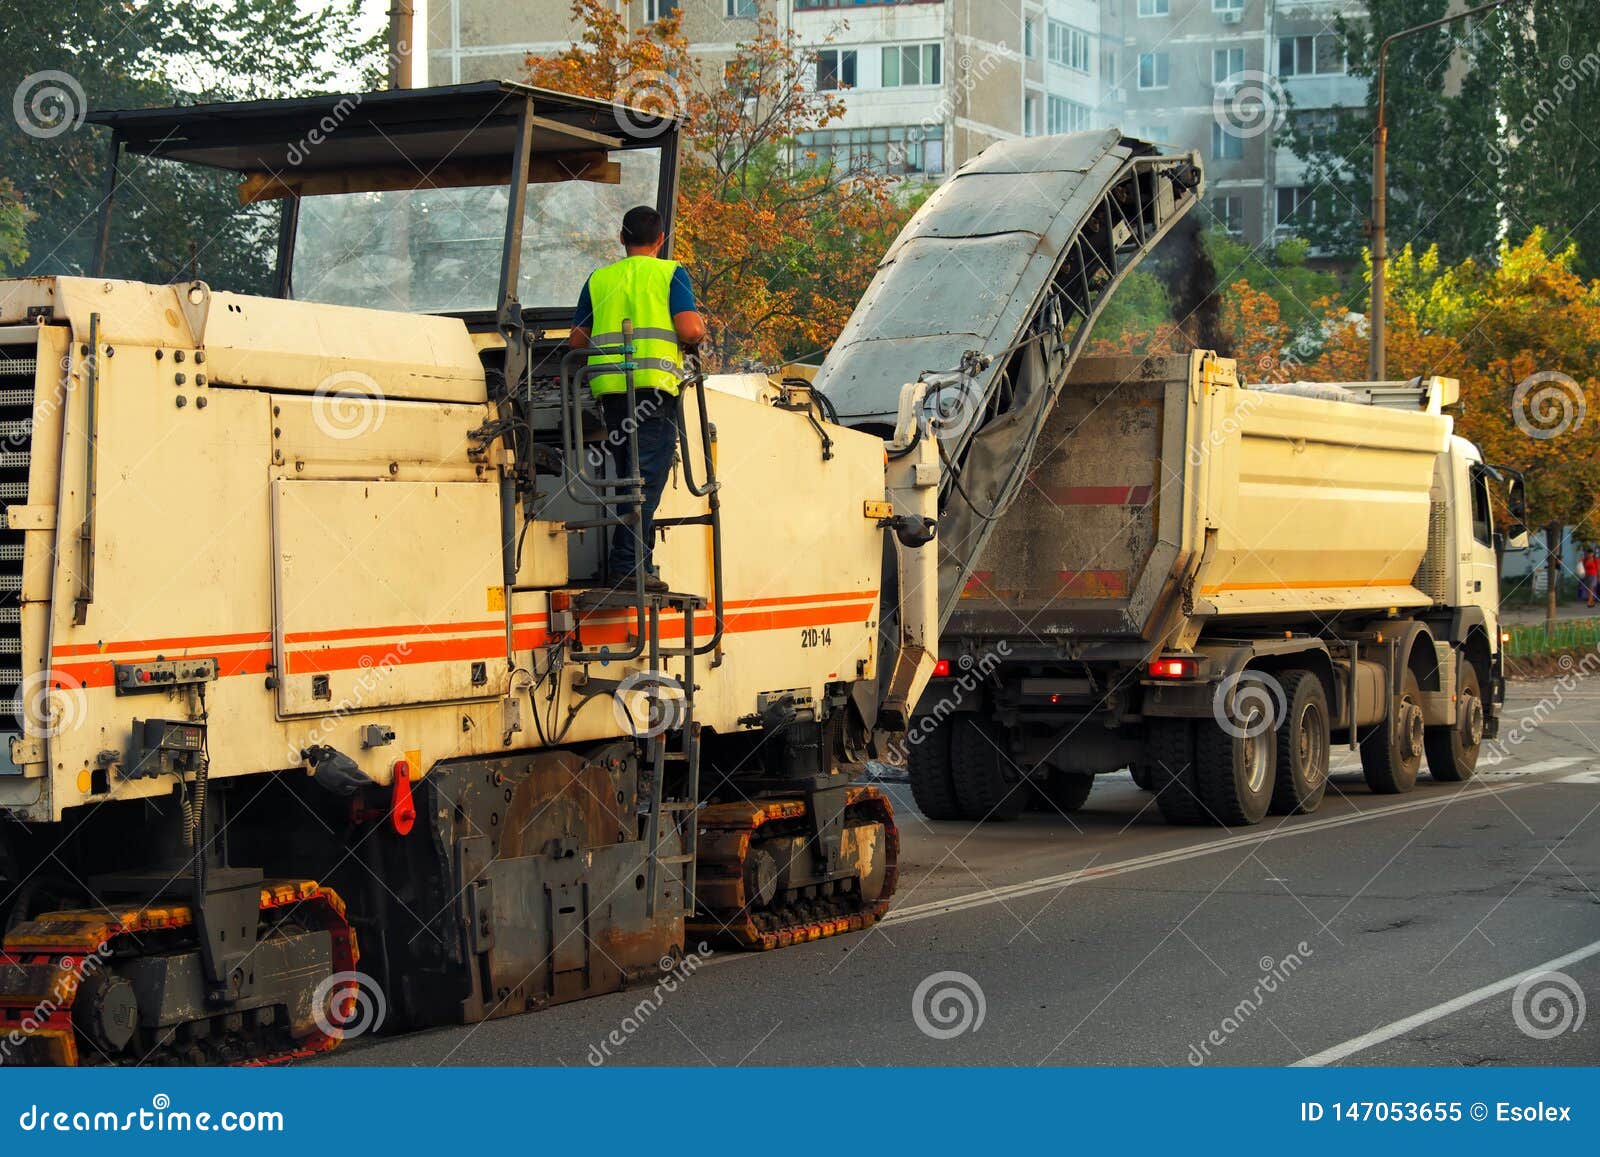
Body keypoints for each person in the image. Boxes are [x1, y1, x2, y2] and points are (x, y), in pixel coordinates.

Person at [569, 206, 708, 593]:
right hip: (653, 391)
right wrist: (698, 334)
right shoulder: (669, 272)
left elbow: (576, 341)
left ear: (621, 239)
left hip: (610, 393)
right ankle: (629, 566)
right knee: (646, 480)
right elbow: (689, 327)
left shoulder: (599, 279)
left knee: (630, 475)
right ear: (660, 239)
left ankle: (639, 564)